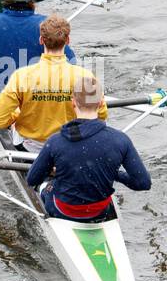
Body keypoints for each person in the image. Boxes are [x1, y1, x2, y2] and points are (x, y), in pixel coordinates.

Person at [25, 75, 151, 222]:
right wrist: (115, 174)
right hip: (99, 211)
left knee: (44, 185)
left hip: (62, 210)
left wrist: (52, 170)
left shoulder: (55, 141)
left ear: (73, 103)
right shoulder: (121, 139)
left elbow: (31, 179)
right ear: (101, 102)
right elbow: (143, 183)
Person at [0, 14, 103, 154]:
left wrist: (17, 116)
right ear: (68, 40)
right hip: (71, 148)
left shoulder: (22, 76)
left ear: (41, 40)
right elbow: (101, 115)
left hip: (31, 148)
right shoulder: (85, 76)